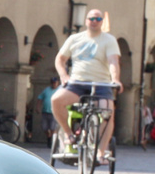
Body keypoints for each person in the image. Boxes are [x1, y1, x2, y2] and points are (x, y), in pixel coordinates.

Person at [50, 10, 121, 162]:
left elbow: (113, 61)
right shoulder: (74, 39)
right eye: (91, 18)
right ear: (86, 20)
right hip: (77, 83)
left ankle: (100, 151)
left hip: (101, 84)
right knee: (56, 100)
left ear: (102, 21)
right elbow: (60, 59)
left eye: (98, 19)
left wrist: (115, 79)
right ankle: (68, 133)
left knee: (108, 112)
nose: (94, 21)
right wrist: (64, 75)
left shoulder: (109, 40)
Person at [37, 76, 59, 142]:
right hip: (45, 112)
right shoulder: (46, 90)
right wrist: (38, 107)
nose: (53, 84)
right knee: (44, 127)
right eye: (52, 82)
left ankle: (51, 140)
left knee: (53, 127)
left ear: (58, 83)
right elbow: (40, 98)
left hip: (54, 112)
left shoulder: (59, 90)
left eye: (55, 82)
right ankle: (49, 137)